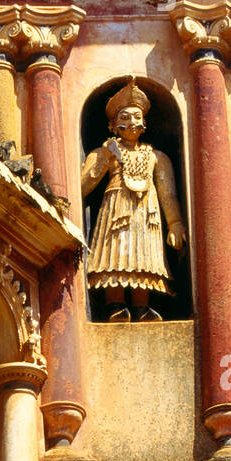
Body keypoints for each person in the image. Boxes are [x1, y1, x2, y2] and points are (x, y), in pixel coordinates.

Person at [81, 78, 186, 322]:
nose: (132, 122)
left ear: (145, 122)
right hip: (116, 209)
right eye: (125, 117)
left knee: (144, 254)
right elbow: (84, 186)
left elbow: (167, 193)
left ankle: (141, 306)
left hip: (146, 213)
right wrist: (106, 157)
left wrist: (175, 222)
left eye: (136, 117)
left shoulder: (157, 157)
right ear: (113, 124)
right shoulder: (104, 152)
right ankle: (114, 303)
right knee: (116, 253)